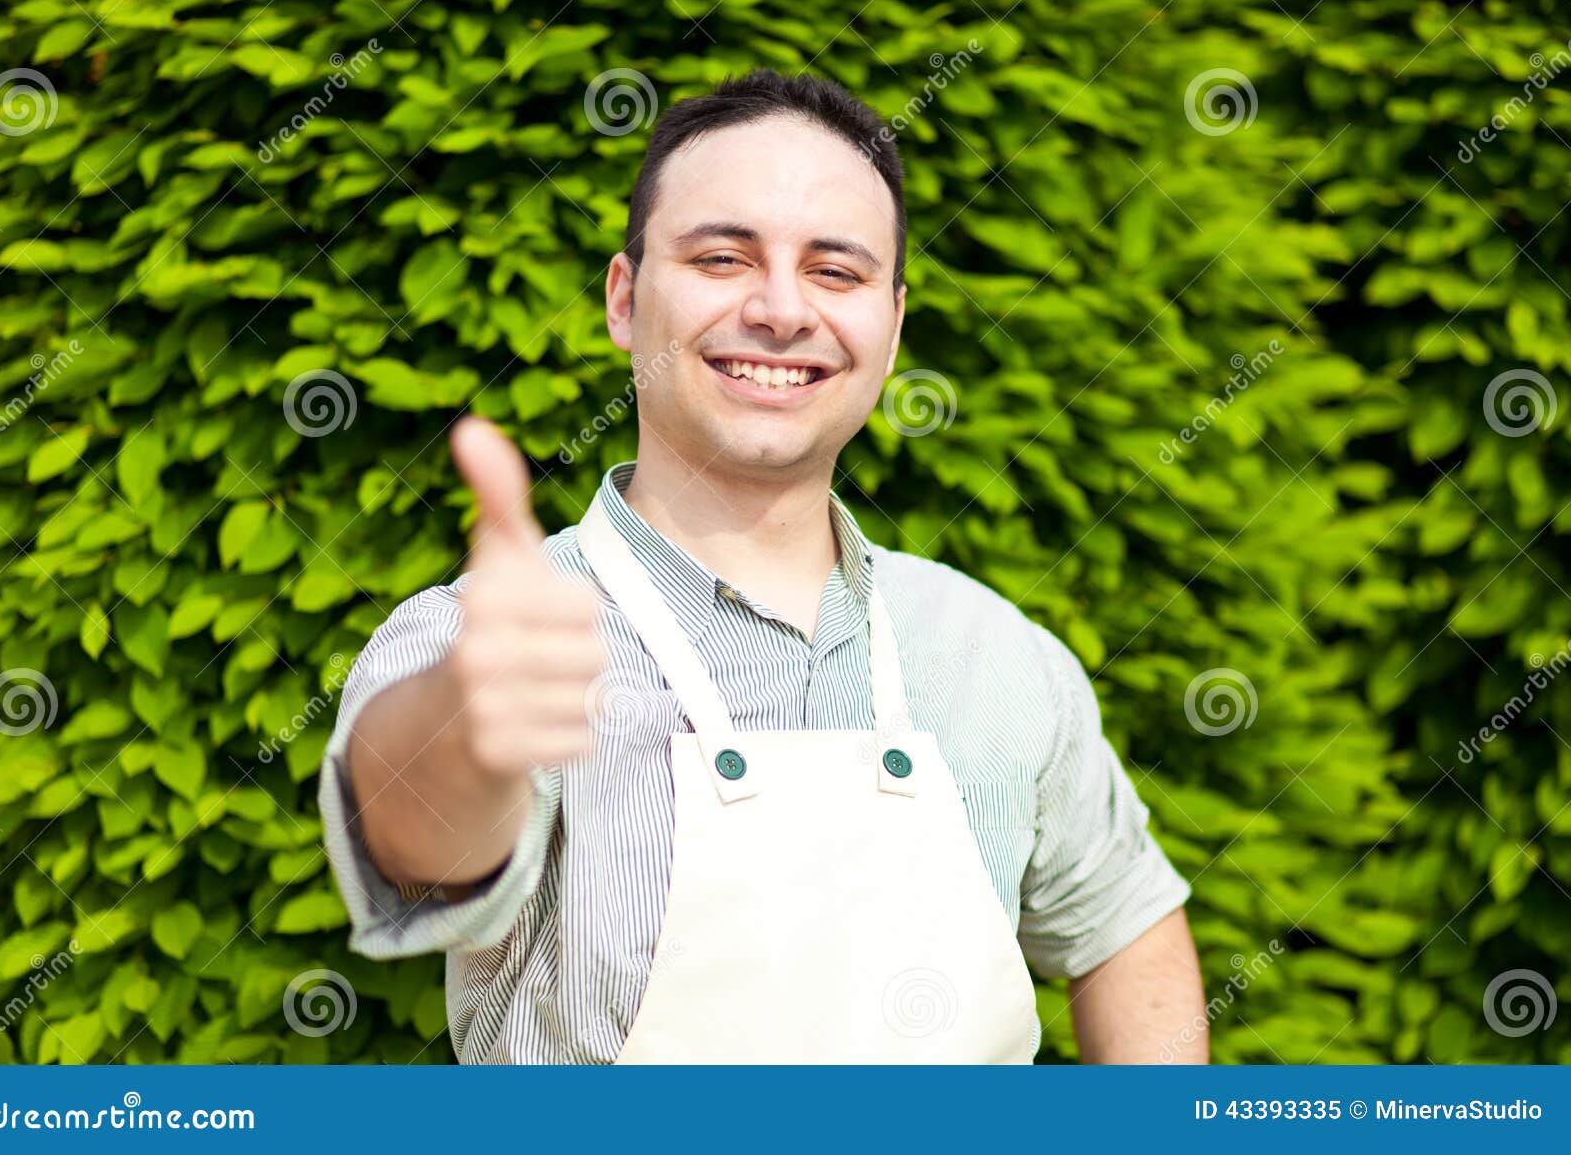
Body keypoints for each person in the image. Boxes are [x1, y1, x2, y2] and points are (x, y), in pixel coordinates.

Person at [318, 69, 1205, 1064]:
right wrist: (470, 724)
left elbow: (1124, 921)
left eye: (835, 272)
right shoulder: (486, 635)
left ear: (893, 323)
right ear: (623, 298)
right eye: (722, 256)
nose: (782, 310)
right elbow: (415, 843)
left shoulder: (993, 650)